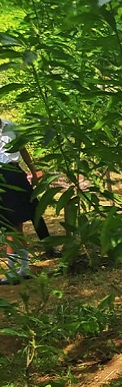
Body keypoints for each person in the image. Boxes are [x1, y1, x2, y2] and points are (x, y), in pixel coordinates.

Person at [0, 119, 59, 284]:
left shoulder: (10, 126)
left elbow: (23, 148)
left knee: (13, 224)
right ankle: (23, 268)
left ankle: (14, 272)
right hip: (2, 176)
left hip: (15, 174)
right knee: (14, 225)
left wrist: (33, 170)